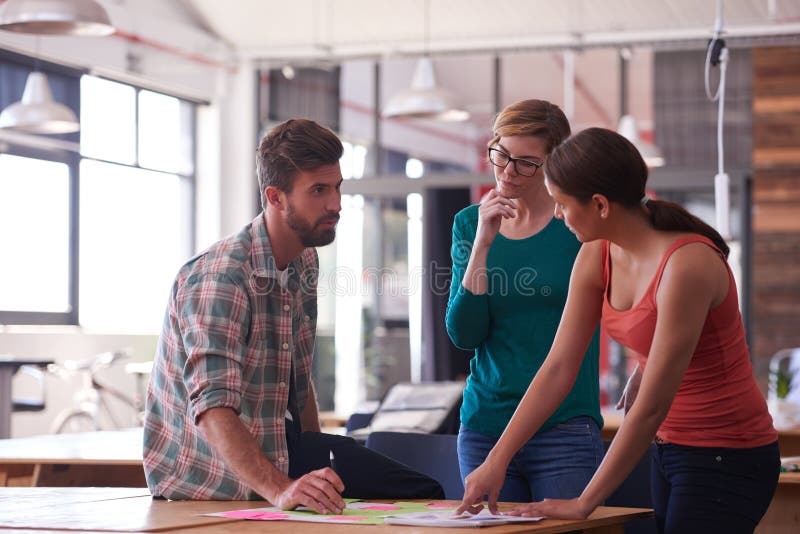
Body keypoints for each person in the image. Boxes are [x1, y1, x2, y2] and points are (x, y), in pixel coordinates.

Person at [457, 127, 780, 533]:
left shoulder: (687, 264)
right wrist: (496, 459)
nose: (557, 214)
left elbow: (649, 408)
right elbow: (558, 367)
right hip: (669, 448)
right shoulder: (597, 253)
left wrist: (584, 503)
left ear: (599, 205)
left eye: (561, 204)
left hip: (728, 452)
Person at [143, 119, 443, 509]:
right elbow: (212, 408)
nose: (335, 204)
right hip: (207, 476)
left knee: (427, 494)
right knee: (422, 495)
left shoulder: (304, 260)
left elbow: (298, 382)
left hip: (279, 448)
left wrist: (320, 466)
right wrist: (281, 488)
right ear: (276, 196)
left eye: (337, 187)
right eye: (318, 190)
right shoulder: (222, 278)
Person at [445, 99, 602, 503]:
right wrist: (482, 242)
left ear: (555, 162)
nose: (508, 171)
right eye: (501, 154)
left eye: (526, 162)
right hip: (484, 426)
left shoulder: (579, 226)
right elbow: (464, 333)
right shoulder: (468, 223)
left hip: (564, 427)